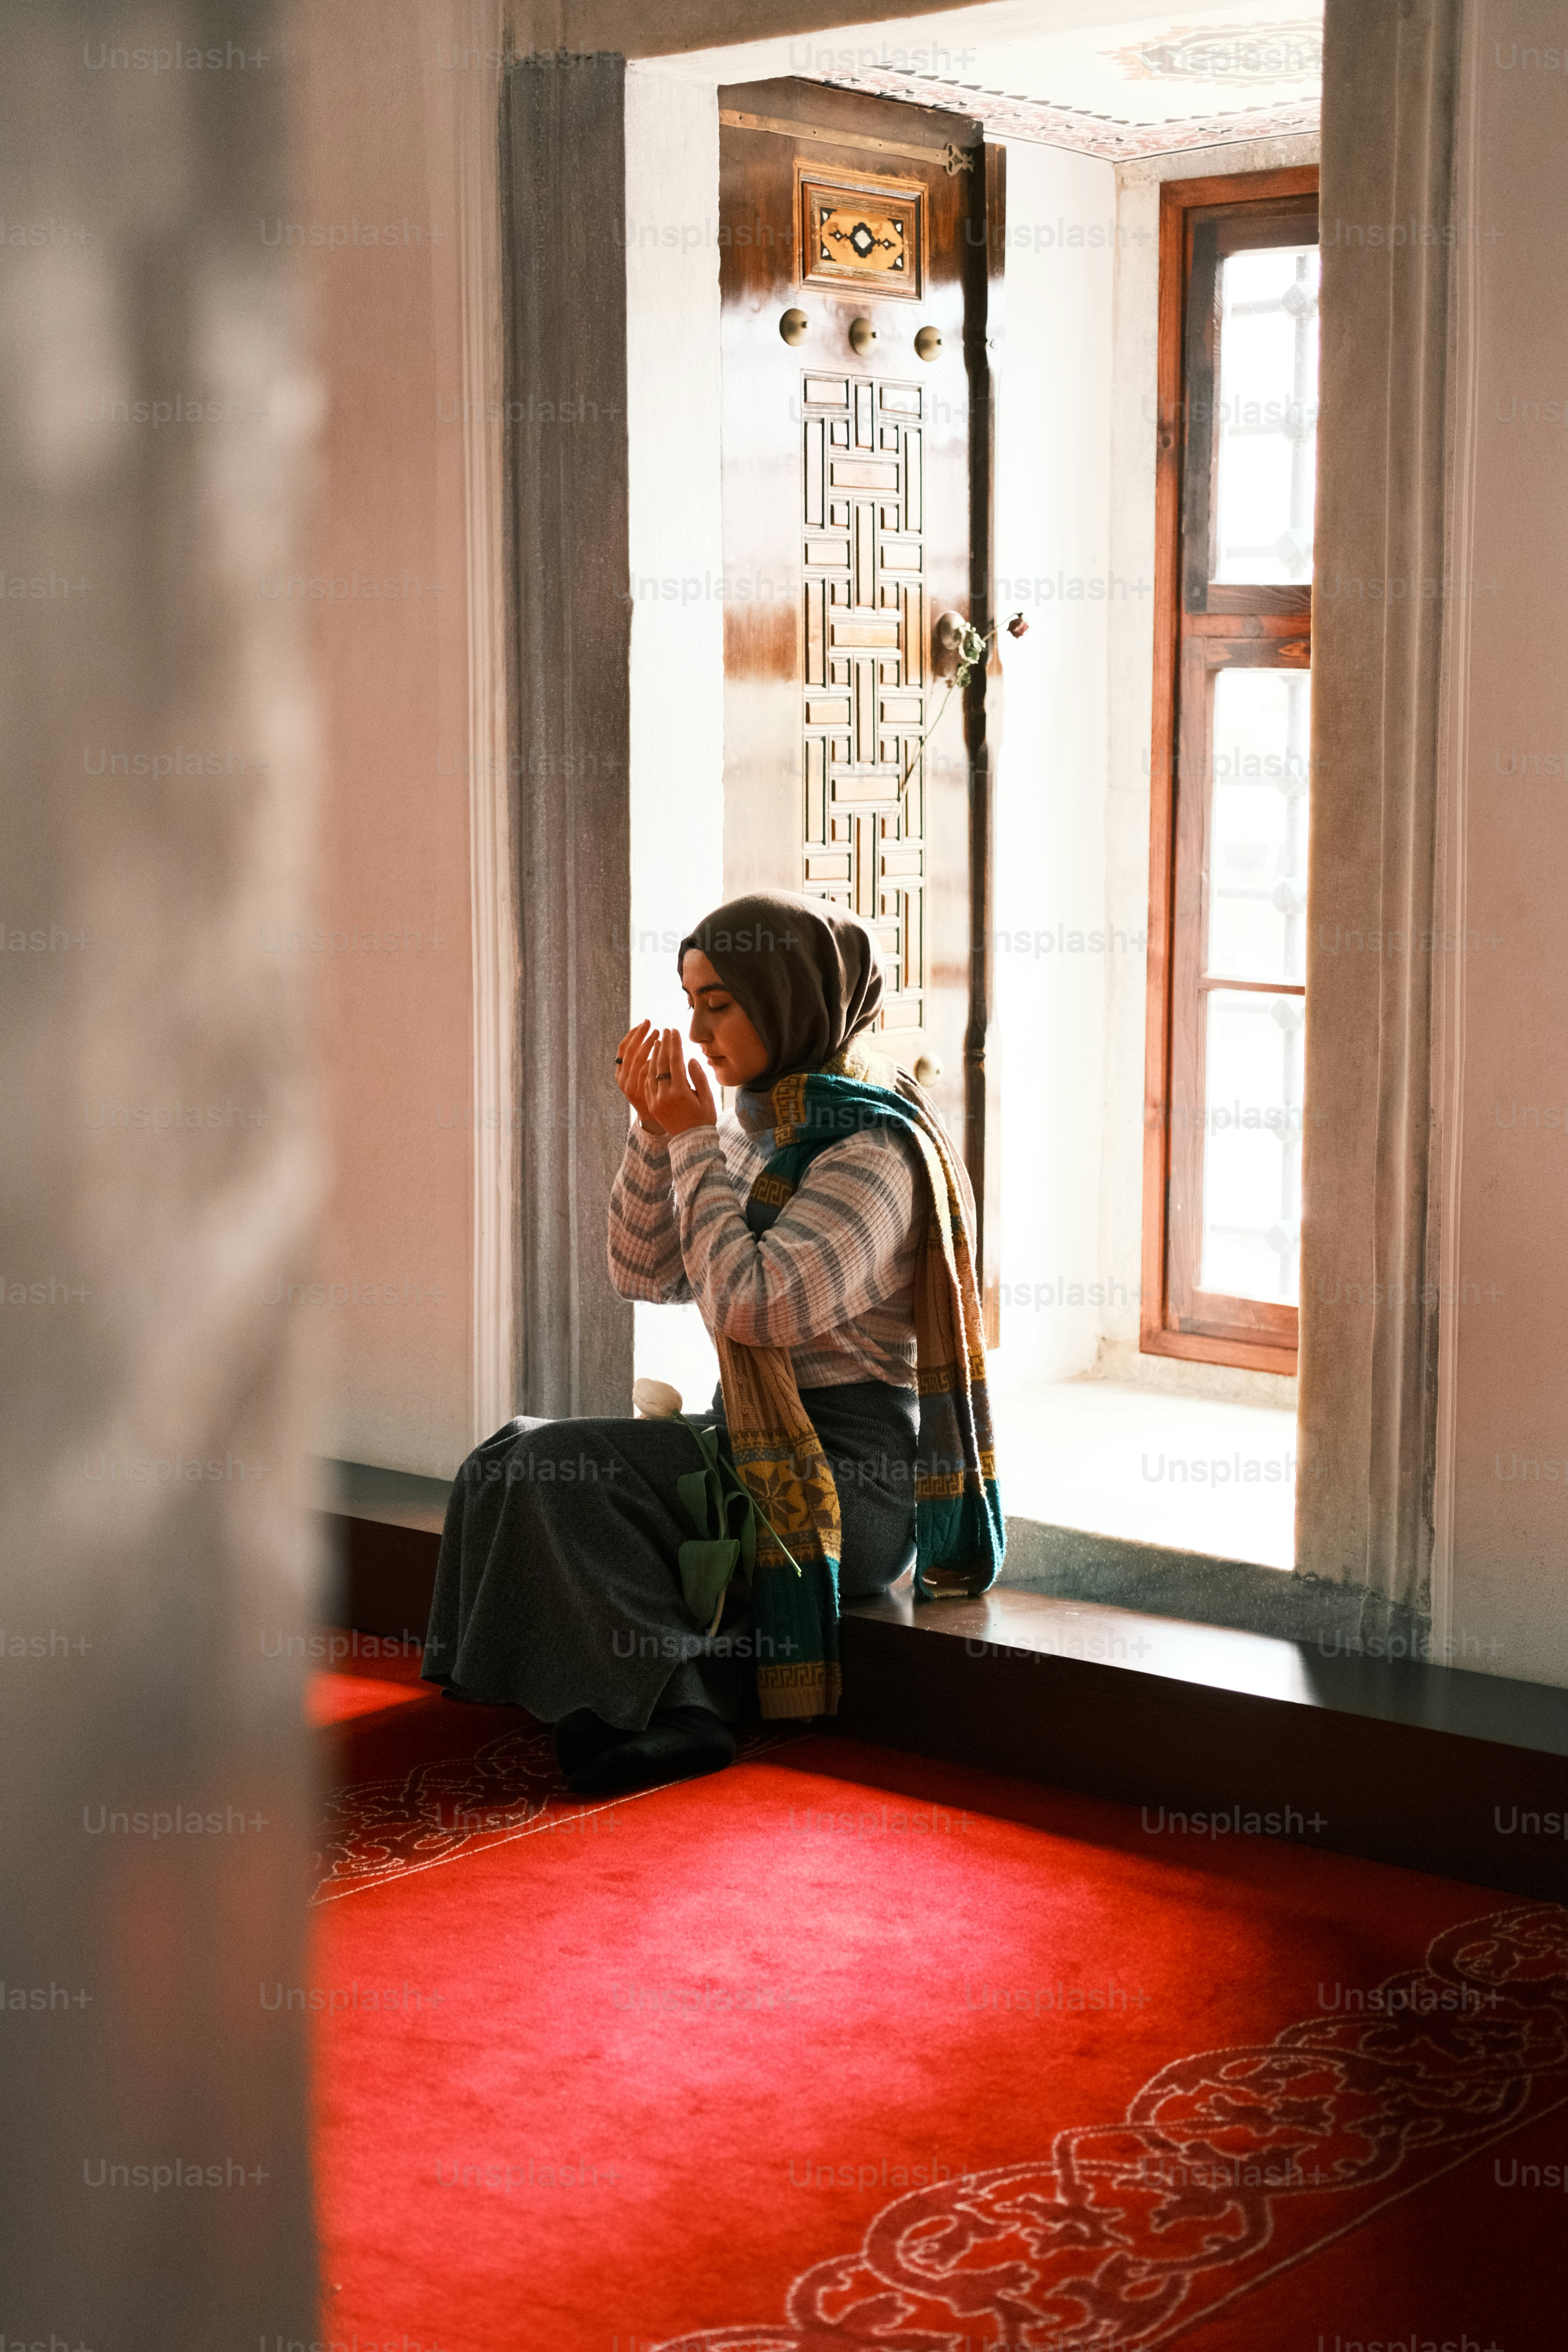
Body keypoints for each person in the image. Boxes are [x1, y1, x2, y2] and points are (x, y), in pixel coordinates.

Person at [421, 890, 1002, 1796]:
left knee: (553, 1471)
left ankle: (681, 1711)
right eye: (689, 1001)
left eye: (719, 1004)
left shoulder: (871, 1150)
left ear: (790, 999)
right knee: (512, 1453)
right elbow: (643, 1274)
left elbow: (754, 1307)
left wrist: (691, 1138)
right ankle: (601, 1697)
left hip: (843, 1478)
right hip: (747, 1440)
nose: (696, 1030)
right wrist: (656, 1134)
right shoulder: (758, 1123)